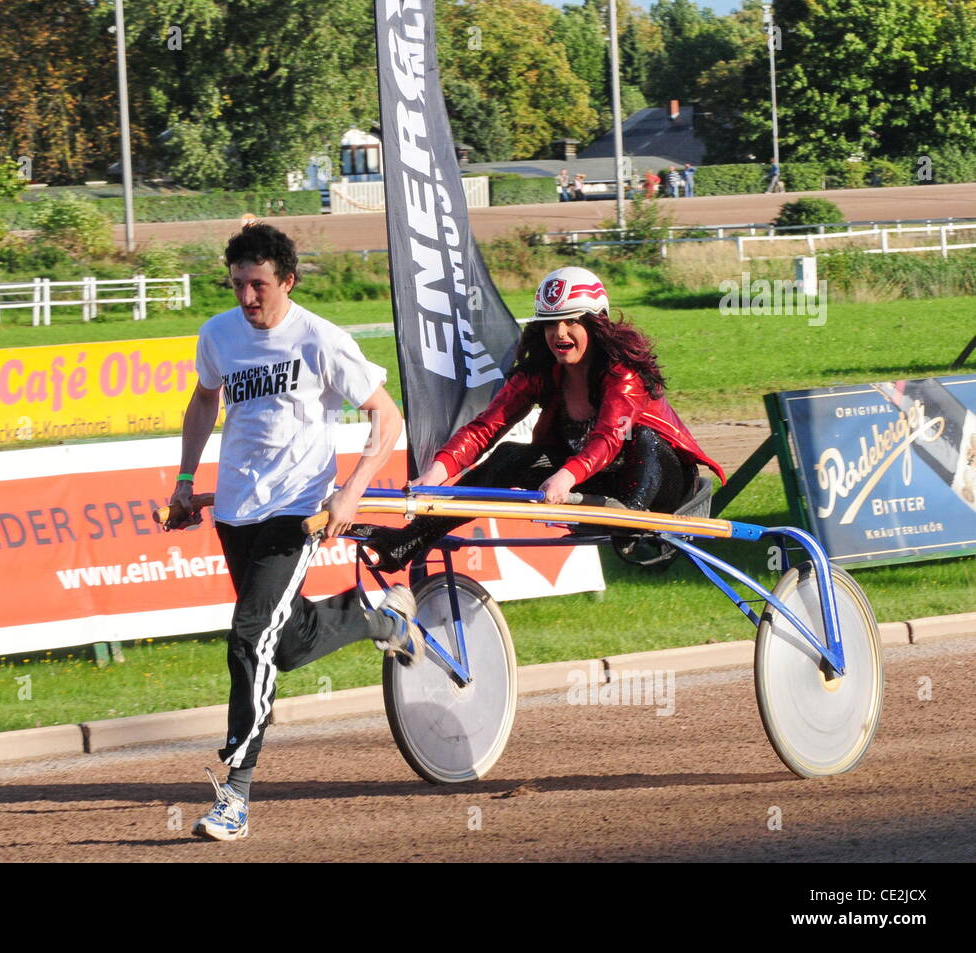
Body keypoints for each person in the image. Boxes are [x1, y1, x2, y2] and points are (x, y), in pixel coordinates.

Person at [167, 223, 422, 842]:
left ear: (288, 280)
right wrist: (183, 479)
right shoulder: (218, 335)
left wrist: (350, 491)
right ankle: (377, 617)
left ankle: (235, 792)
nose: (247, 299)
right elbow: (205, 401)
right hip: (235, 513)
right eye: (237, 286)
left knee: (249, 636)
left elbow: (385, 416)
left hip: (297, 512)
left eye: (258, 286)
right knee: (280, 643)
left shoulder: (320, 340)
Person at [359, 265, 726, 573]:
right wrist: (437, 473)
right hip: (599, 484)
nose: (559, 334)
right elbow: (487, 427)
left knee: (641, 436)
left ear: (596, 325)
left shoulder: (622, 373)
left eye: (570, 322)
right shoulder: (540, 371)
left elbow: (610, 437)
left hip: (662, 487)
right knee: (507, 457)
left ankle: (631, 521)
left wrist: (565, 477)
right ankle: (402, 544)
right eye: (550, 324)